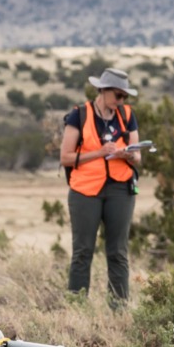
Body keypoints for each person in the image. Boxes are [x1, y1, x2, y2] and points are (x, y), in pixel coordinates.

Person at [60, 68, 143, 303]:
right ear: (103, 91)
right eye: (118, 96)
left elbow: (138, 157)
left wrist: (127, 155)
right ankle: (76, 305)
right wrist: (99, 153)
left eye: (124, 97)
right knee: (83, 251)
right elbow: (65, 157)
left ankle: (118, 307)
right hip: (85, 190)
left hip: (120, 188)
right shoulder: (79, 115)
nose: (121, 101)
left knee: (118, 252)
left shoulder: (127, 115)